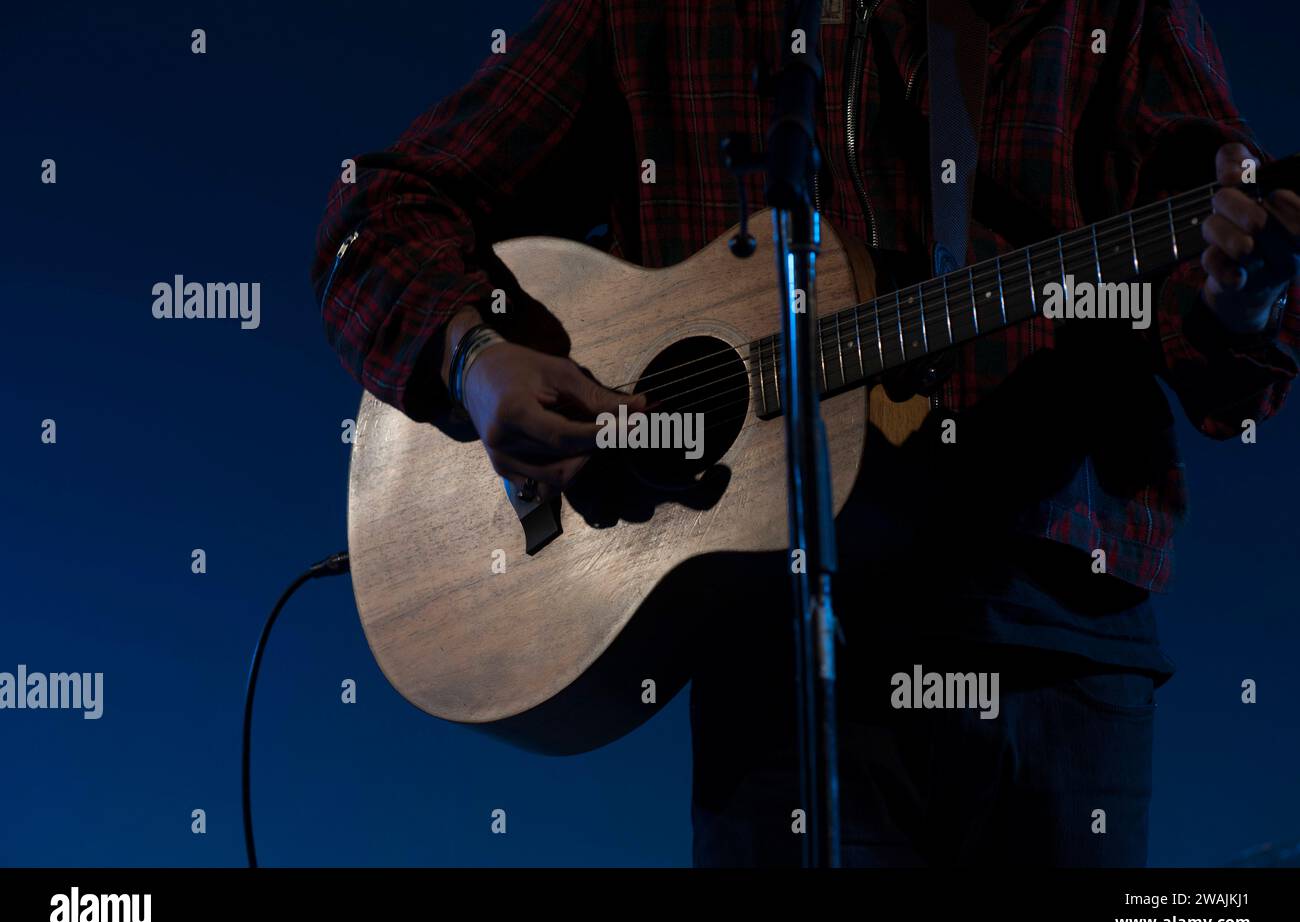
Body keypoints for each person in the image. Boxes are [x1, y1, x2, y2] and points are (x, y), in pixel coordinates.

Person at [312, 0, 1300, 866]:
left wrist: (1241, 301)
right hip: (780, 655)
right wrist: (477, 360)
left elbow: (1215, 270)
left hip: (1056, 633)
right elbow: (378, 214)